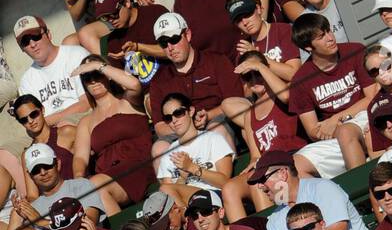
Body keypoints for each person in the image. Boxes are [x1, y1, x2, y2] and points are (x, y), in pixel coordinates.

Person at [251, 151, 369, 230]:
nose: (260, 186)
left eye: (263, 179)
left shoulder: (322, 189)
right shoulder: (274, 220)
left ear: (283, 174)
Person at [289, 15, 377, 180]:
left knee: (345, 131)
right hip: (335, 135)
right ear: (308, 47)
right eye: (321, 37)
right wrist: (332, 129)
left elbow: (372, 96)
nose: (330, 38)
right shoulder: (300, 80)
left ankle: (365, 191)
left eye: (328, 31)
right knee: (296, 165)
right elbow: (313, 130)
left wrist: (337, 119)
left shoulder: (355, 51)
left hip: (367, 118)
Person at [144, 12, 247, 143]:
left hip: (219, 123)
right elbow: (160, 127)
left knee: (216, 129)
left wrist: (209, 115)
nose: (170, 47)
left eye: (174, 39)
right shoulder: (159, 81)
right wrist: (189, 128)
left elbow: (236, 101)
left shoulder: (216, 61)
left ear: (187, 35)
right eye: (163, 43)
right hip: (180, 136)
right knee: (159, 148)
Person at [71, 56, 153, 208]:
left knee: (95, 185)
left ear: (107, 75)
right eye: (87, 77)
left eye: (97, 74)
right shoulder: (86, 122)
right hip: (108, 175)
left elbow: (134, 84)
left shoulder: (127, 101)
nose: (93, 81)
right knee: (92, 188)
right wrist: (78, 179)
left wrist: (98, 65)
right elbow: (80, 158)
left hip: (140, 165)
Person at [154, 92, 234, 211]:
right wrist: (182, 178)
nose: (174, 120)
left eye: (178, 113)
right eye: (168, 118)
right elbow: (169, 197)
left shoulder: (213, 139)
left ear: (191, 111)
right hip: (187, 204)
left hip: (215, 197)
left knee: (165, 189)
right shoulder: (168, 155)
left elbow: (226, 183)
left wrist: (191, 167)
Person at [13, 15, 89, 125]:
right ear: (22, 49)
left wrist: (52, 120)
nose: (33, 44)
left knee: (65, 128)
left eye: (36, 36)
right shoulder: (27, 80)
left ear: (48, 34)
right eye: (25, 41)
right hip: (48, 128)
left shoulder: (76, 55)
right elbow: (32, 122)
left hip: (82, 118)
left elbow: (87, 103)